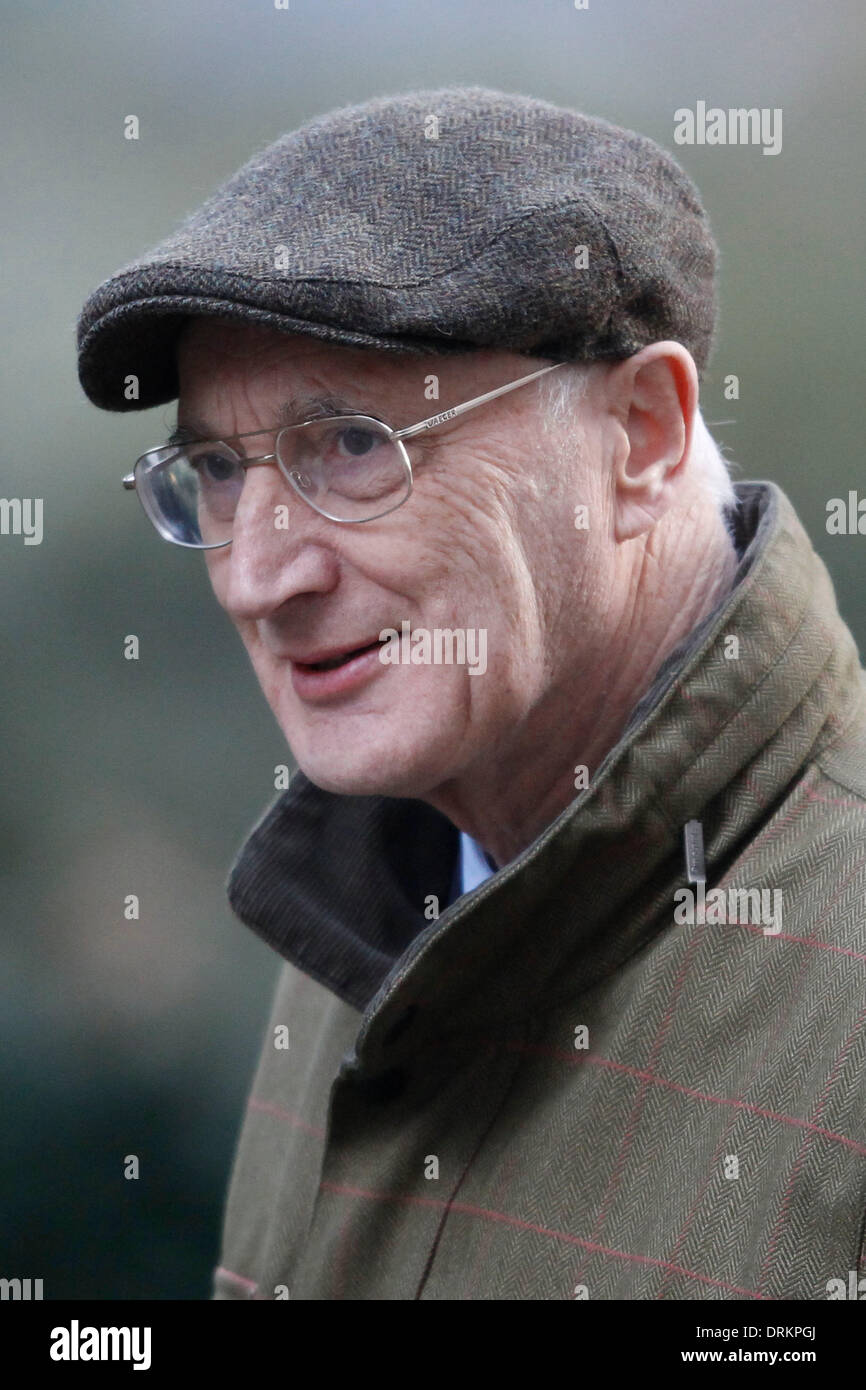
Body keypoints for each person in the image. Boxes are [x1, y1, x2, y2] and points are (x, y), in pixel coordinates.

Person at [76, 86, 866, 1301]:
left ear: (640, 438)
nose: (255, 576)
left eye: (350, 443)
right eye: (217, 471)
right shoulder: (355, 912)